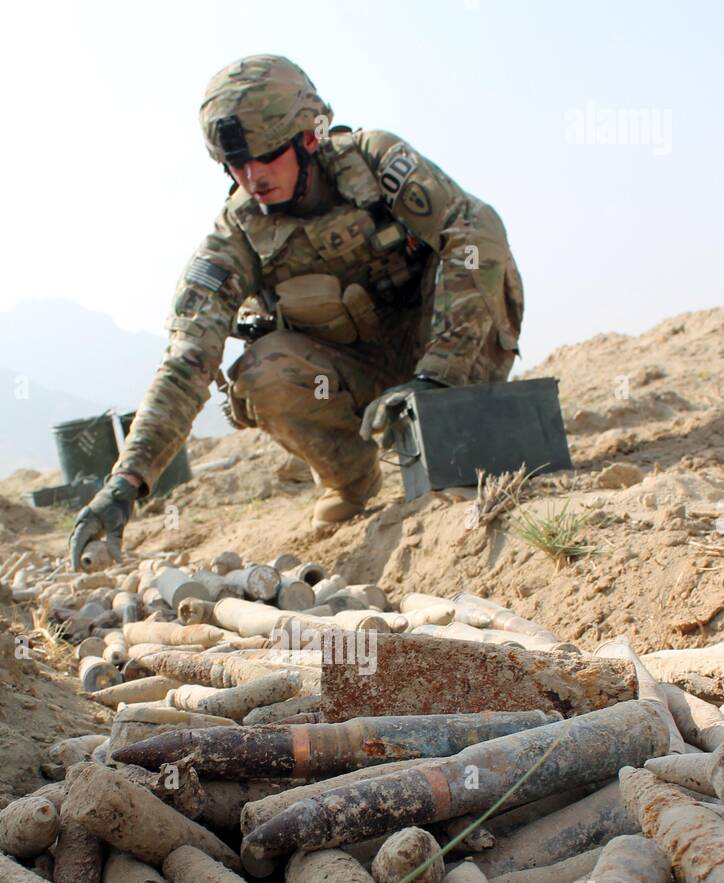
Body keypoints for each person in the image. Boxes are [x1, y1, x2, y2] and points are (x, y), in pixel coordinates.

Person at [70, 54, 524, 568]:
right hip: (355, 373)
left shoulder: (375, 161)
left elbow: (473, 229)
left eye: (264, 157)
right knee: (259, 372)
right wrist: (127, 481)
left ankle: (456, 407)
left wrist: (438, 375)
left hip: (445, 350)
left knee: (479, 246)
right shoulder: (235, 235)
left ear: (308, 138)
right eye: (235, 166)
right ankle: (349, 475)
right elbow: (187, 358)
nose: (251, 177)